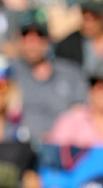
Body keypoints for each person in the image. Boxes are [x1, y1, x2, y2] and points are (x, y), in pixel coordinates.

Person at [14, 8, 89, 141]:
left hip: (64, 146)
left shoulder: (71, 72)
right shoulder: (9, 73)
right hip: (21, 146)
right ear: (18, 38)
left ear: (48, 39)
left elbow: (83, 112)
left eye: (39, 35)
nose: (32, 42)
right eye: (26, 35)